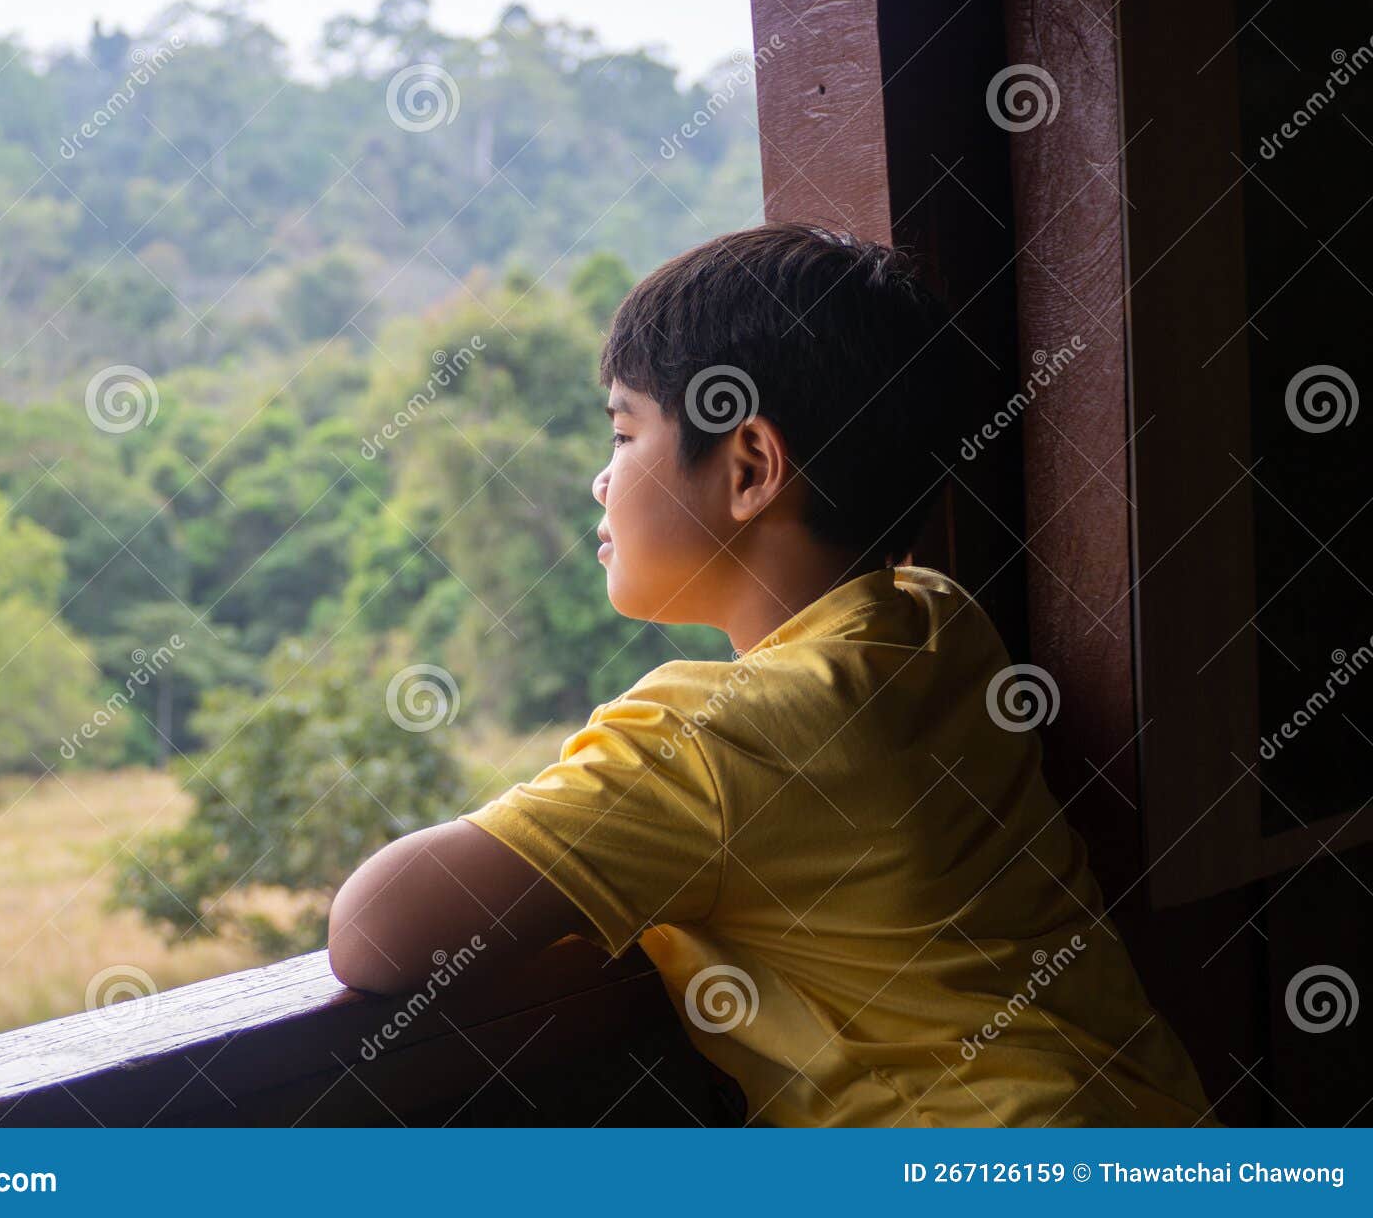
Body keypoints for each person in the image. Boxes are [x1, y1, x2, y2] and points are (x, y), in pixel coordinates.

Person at [327, 222, 1215, 1127]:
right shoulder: (941, 622)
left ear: (750, 466)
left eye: (625, 434)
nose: (601, 481)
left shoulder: (715, 742)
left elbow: (375, 932)